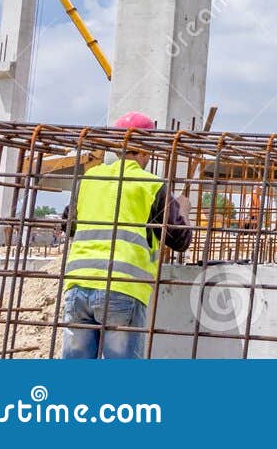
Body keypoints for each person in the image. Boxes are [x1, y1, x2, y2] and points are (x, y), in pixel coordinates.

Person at [60, 112, 191, 358]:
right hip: (122, 288)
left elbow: (69, 226)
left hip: (78, 286)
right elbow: (180, 240)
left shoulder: (89, 178)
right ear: (145, 150)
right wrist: (183, 210)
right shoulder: (151, 185)